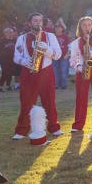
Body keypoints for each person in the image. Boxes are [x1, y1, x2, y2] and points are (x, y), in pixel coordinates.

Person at [12, 12, 62, 142]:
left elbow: (58, 55)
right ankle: (22, 130)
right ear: (30, 23)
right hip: (28, 72)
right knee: (26, 102)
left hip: (46, 72)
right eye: (35, 21)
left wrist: (46, 50)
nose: (38, 23)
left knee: (49, 101)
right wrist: (24, 62)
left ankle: (54, 127)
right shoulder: (22, 38)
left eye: (40, 21)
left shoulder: (50, 36)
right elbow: (16, 57)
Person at [0, 27, 17, 92]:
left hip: (12, 59)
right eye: (9, 32)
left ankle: (8, 86)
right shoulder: (2, 41)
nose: (11, 33)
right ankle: (0, 87)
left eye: (11, 32)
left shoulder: (14, 41)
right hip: (4, 60)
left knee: (10, 73)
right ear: (5, 33)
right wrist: (1, 56)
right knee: (4, 73)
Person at [53, 22, 70, 90]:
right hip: (55, 57)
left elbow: (69, 47)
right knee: (55, 71)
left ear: (62, 28)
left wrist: (67, 54)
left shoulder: (66, 37)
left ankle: (63, 85)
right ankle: (56, 85)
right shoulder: (52, 36)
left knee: (63, 71)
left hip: (64, 56)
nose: (58, 29)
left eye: (59, 27)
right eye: (56, 27)